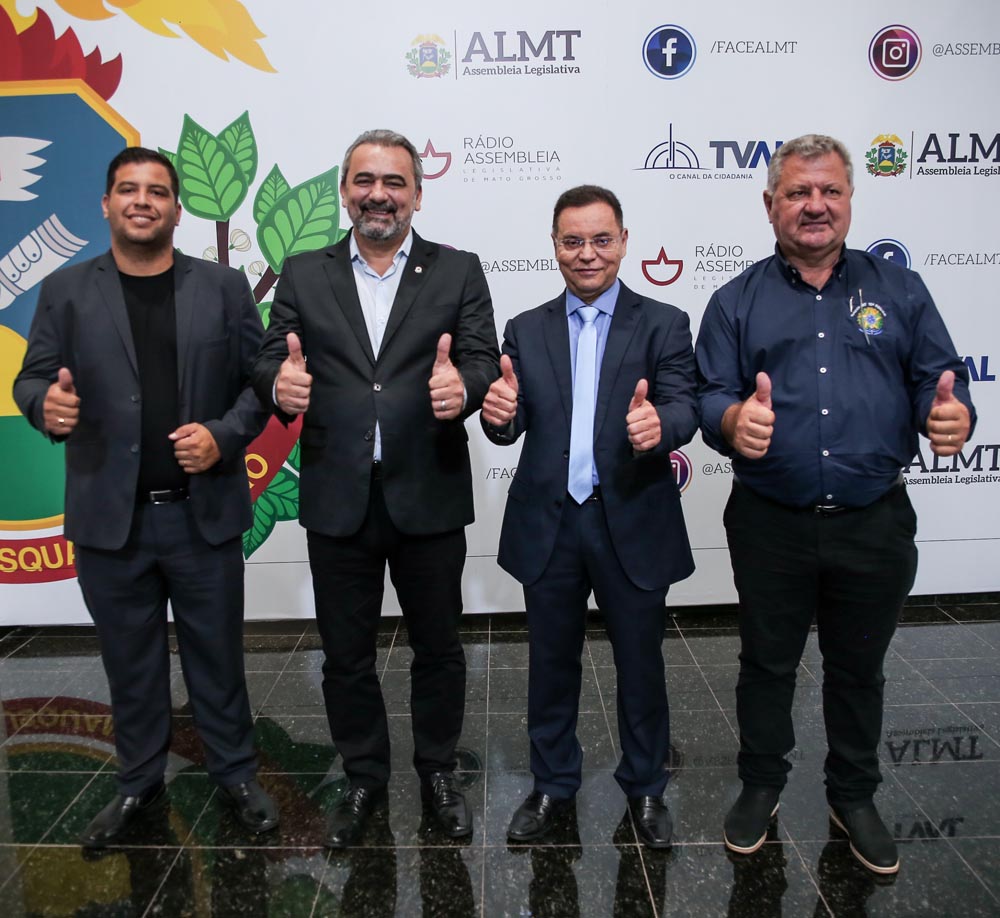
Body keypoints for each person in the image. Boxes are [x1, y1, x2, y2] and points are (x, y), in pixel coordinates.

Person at [696, 134, 975, 874]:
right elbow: (712, 396)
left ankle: (853, 795)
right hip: (769, 524)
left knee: (860, 669)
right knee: (766, 665)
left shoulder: (900, 290)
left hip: (874, 522)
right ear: (770, 205)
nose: (814, 205)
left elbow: (938, 381)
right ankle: (761, 786)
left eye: (828, 192)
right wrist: (731, 421)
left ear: (849, 201)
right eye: (797, 192)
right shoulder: (735, 301)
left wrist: (952, 415)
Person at [13, 147, 278, 848]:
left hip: (202, 514)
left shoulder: (223, 288)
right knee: (128, 661)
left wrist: (225, 436)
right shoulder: (67, 291)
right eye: (128, 190)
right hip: (111, 518)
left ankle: (236, 774)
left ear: (176, 209)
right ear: (105, 204)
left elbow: (262, 383)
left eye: (157, 191)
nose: (142, 201)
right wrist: (47, 406)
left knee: (216, 657)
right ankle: (137, 783)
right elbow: (33, 378)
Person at [251, 129, 499, 848]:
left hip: (429, 491)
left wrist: (468, 383)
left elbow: (482, 357)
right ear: (345, 191)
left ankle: (438, 772)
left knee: (439, 649)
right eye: (365, 180)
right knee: (346, 655)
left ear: (417, 194)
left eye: (394, 181)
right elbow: (274, 358)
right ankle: (362, 776)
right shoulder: (302, 272)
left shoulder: (457, 271)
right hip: (337, 494)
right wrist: (279, 381)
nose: (379, 194)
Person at [481, 185, 698, 848]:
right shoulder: (526, 327)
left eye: (601, 239)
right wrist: (498, 416)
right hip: (551, 523)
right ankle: (552, 787)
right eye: (573, 241)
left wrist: (659, 425)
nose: (588, 253)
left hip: (629, 517)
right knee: (550, 664)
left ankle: (647, 790)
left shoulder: (664, 322)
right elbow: (508, 423)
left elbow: (686, 406)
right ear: (554, 247)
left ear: (624, 242)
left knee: (641, 665)